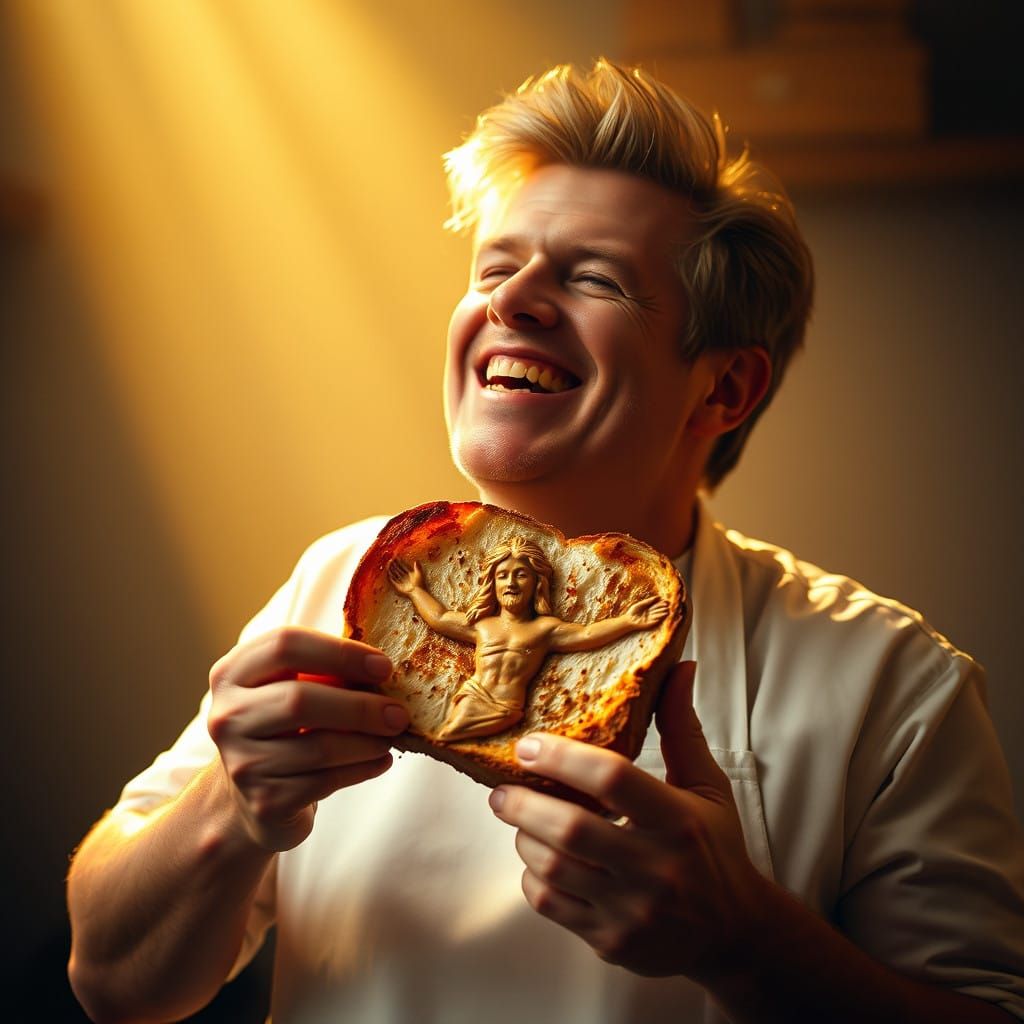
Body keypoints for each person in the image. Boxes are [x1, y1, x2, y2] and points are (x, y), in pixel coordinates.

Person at [66, 59, 1024, 1023]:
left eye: (594, 277)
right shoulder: (340, 580)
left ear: (724, 389)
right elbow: (112, 983)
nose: (509, 301)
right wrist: (225, 813)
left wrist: (747, 942)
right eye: (494, 266)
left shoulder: (894, 683)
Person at [387, 543, 669, 742]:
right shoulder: (483, 625)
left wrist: (628, 621)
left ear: (537, 583)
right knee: (444, 733)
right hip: (473, 695)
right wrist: (415, 591)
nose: (511, 583)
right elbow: (440, 617)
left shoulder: (544, 629)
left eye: (521, 574)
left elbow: (586, 634)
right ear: (492, 584)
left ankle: (446, 735)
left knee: (445, 735)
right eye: (502, 575)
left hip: (505, 709)